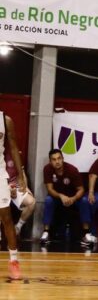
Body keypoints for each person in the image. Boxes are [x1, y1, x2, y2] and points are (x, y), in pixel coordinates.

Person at [41, 149, 96, 246]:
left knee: (84, 200)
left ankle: (86, 233)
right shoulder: (47, 169)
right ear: (50, 161)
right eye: (54, 159)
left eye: (59, 158)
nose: (57, 161)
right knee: (48, 200)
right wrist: (61, 196)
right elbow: (50, 189)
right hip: (57, 198)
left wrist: (73, 198)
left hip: (73, 198)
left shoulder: (72, 170)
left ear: (63, 159)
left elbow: (81, 189)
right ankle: (46, 232)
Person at [1, 112, 25, 279]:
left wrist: (21, 174)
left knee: (6, 217)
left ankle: (14, 261)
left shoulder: (5, 120)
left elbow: (14, 147)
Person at [4, 148, 35, 236]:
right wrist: (7, 189)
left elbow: (21, 173)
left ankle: (18, 227)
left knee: (31, 202)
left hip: (15, 185)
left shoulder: (14, 153)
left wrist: (25, 187)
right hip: (2, 186)